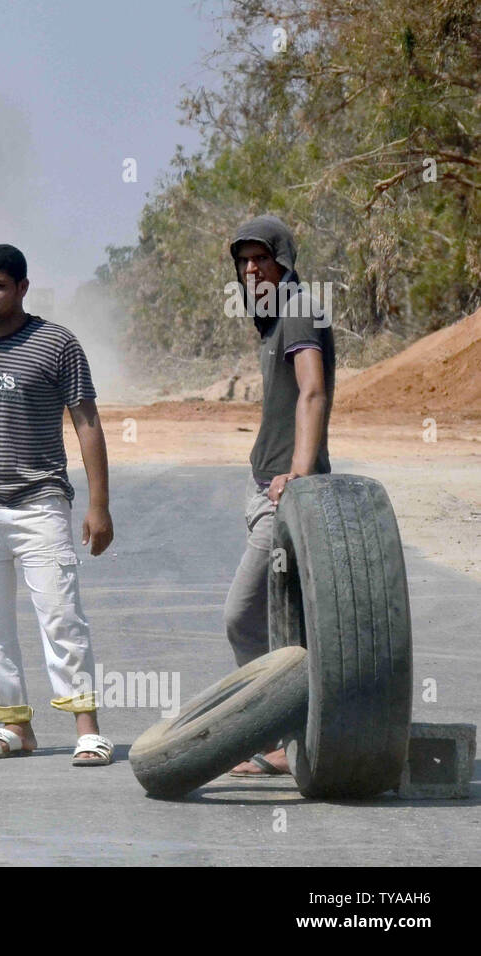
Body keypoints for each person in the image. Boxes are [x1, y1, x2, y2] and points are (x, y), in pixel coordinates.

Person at [0, 244, 115, 765]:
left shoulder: (57, 344)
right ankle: (12, 727)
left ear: (22, 289)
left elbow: (87, 421)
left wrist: (99, 505)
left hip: (40, 502)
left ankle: (87, 730)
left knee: (61, 616)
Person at [223, 215, 335, 777]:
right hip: (266, 486)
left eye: (261, 259)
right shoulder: (276, 316)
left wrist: (298, 474)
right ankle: (294, 737)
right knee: (286, 621)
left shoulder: (298, 308)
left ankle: (276, 736)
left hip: (284, 495)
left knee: (244, 618)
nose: (251, 270)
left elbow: (312, 392)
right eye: (243, 261)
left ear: (283, 261)